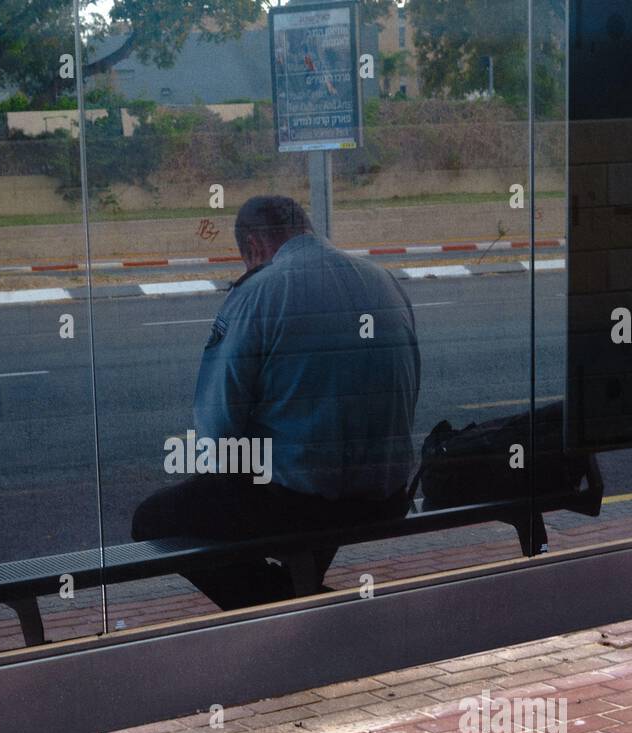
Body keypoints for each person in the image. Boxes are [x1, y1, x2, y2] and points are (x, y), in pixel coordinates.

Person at [132, 195, 421, 609]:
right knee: (301, 474)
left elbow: (217, 427)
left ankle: (287, 608)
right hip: (387, 497)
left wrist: (221, 476)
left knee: (152, 519)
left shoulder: (261, 291)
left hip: (304, 504)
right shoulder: (383, 281)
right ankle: (300, 597)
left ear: (253, 247)